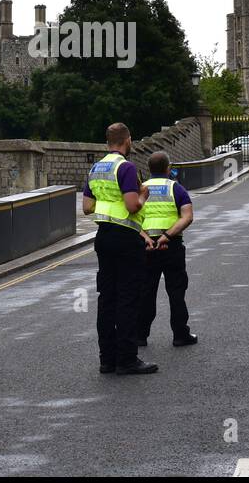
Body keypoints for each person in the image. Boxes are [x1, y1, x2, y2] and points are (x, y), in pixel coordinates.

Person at [82, 123, 156, 376]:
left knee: (107, 299)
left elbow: (87, 207)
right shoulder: (125, 167)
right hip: (126, 239)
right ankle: (127, 359)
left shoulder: (95, 169)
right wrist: (143, 194)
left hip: (103, 237)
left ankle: (107, 359)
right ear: (127, 140)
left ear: (107, 142)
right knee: (128, 298)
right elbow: (132, 205)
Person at [135, 151, 196, 349]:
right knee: (176, 291)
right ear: (168, 169)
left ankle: (140, 336)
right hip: (171, 245)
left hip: (146, 247)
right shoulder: (176, 188)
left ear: (148, 169)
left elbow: (131, 218)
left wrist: (146, 238)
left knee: (146, 291)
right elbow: (187, 217)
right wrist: (167, 236)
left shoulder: (140, 190)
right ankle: (180, 334)